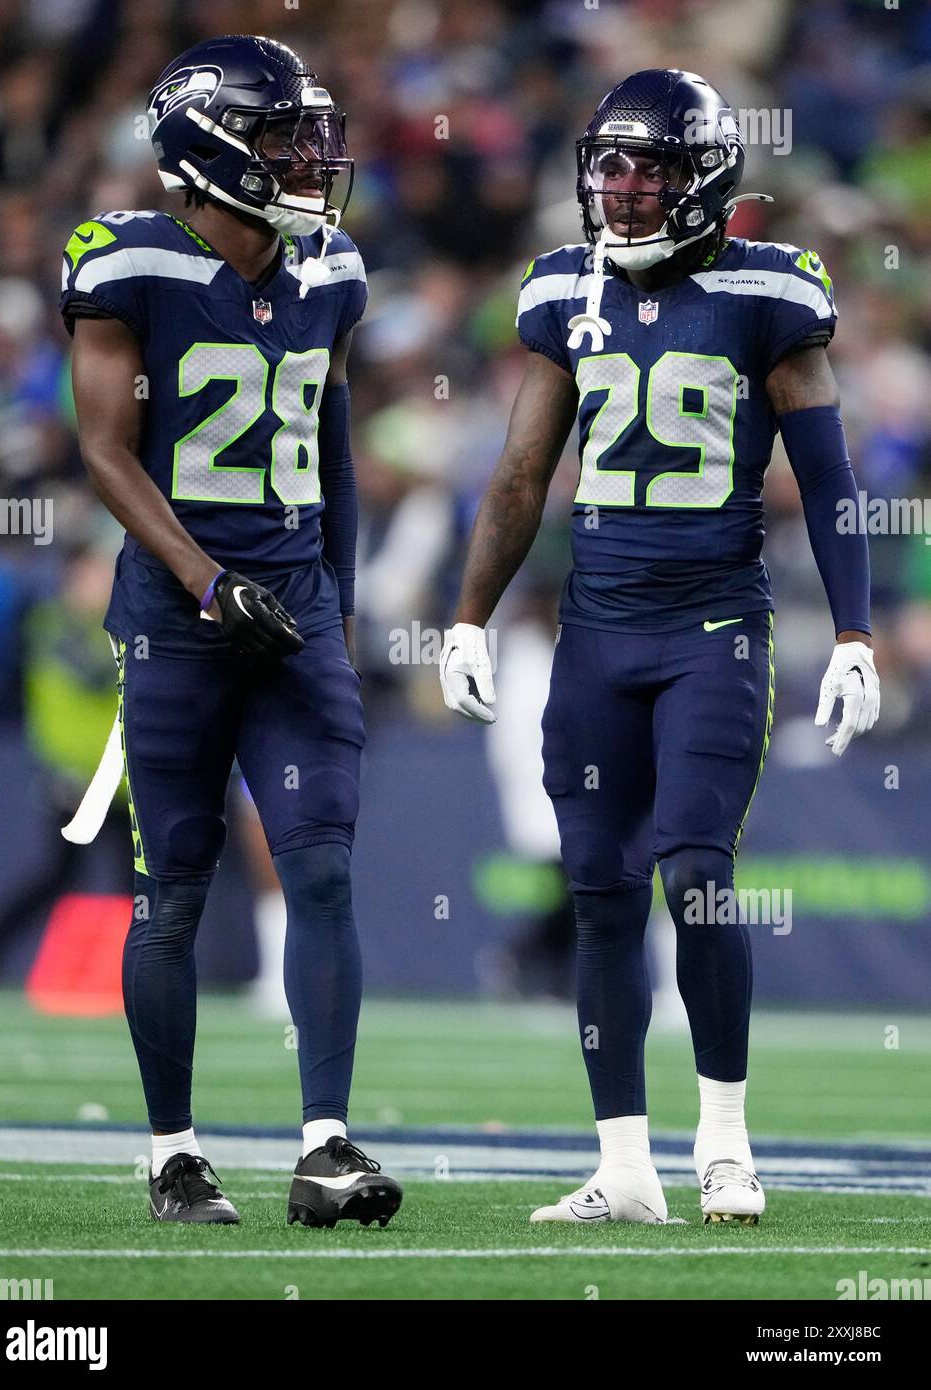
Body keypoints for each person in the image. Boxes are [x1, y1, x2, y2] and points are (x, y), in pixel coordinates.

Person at [440, 69, 879, 1225]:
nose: (626, 191)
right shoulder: (561, 290)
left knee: (698, 873)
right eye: (612, 166)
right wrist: (467, 615)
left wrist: (853, 631)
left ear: (706, 180)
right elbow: (523, 474)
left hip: (713, 628)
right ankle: (623, 1163)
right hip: (595, 633)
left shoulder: (767, 292)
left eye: (652, 169)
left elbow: (829, 482)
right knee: (597, 893)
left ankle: (725, 1144)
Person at [62, 34, 401, 1229]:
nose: (306, 155)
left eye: (306, 131)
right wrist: (207, 583)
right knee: (174, 890)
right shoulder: (128, 261)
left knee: (320, 864)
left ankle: (326, 1147)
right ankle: (173, 1155)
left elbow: (337, 449)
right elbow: (105, 451)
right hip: (178, 619)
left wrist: (337, 612)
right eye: (278, 135)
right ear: (207, 149)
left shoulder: (330, 270)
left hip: (294, 613)